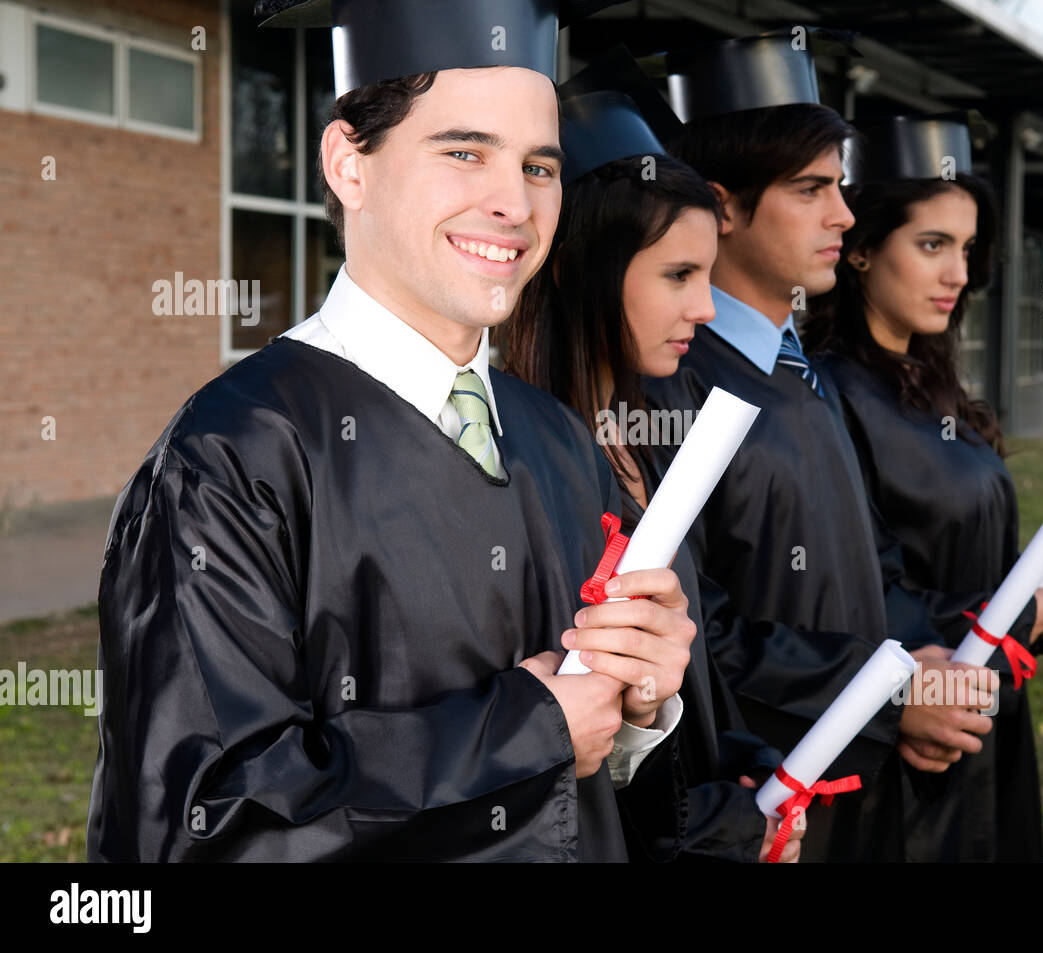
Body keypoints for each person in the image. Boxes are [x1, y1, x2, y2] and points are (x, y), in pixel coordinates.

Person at [87, 0, 696, 863]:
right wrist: (527, 730)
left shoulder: (559, 441)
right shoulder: (232, 458)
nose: (514, 203)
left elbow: (595, 779)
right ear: (349, 163)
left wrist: (633, 702)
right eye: (463, 152)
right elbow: (203, 826)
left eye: (540, 166)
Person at [643, 33, 998, 862]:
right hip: (765, 792)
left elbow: (868, 566)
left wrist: (929, 653)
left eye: (839, 187)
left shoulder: (801, 370)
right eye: (812, 189)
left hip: (857, 782)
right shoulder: (673, 386)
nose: (843, 213)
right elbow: (704, 632)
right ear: (723, 207)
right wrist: (887, 696)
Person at [504, 67, 801, 861]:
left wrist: (752, 783)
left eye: (706, 274)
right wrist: (724, 829)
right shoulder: (516, 472)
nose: (706, 309)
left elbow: (697, 668)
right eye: (678, 275)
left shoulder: (658, 434)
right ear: (576, 266)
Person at [804, 115, 1043, 861]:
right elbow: (861, 583)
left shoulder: (937, 388)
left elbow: (973, 542)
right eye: (932, 245)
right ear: (861, 249)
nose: (958, 273)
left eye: (966, 249)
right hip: (910, 746)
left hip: (990, 720)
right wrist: (1006, 612)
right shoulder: (830, 394)